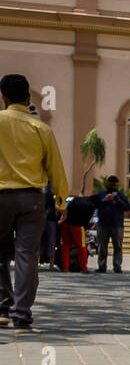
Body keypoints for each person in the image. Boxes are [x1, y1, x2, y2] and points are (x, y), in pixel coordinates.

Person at [0, 73, 68, 332]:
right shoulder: (41, 129)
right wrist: (61, 201)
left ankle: (3, 307)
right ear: (28, 97)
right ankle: (22, 315)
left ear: (3, 97)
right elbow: (56, 169)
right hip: (31, 200)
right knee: (27, 255)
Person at [93, 174, 130, 273]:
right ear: (107, 184)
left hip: (117, 225)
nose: (113, 187)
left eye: (115, 185)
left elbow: (127, 208)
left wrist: (119, 201)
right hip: (103, 224)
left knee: (117, 246)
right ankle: (102, 266)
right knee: (102, 246)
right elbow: (95, 205)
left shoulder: (121, 195)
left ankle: (117, 266)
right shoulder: (101, 194)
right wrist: (105, 200)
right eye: (111, 185)